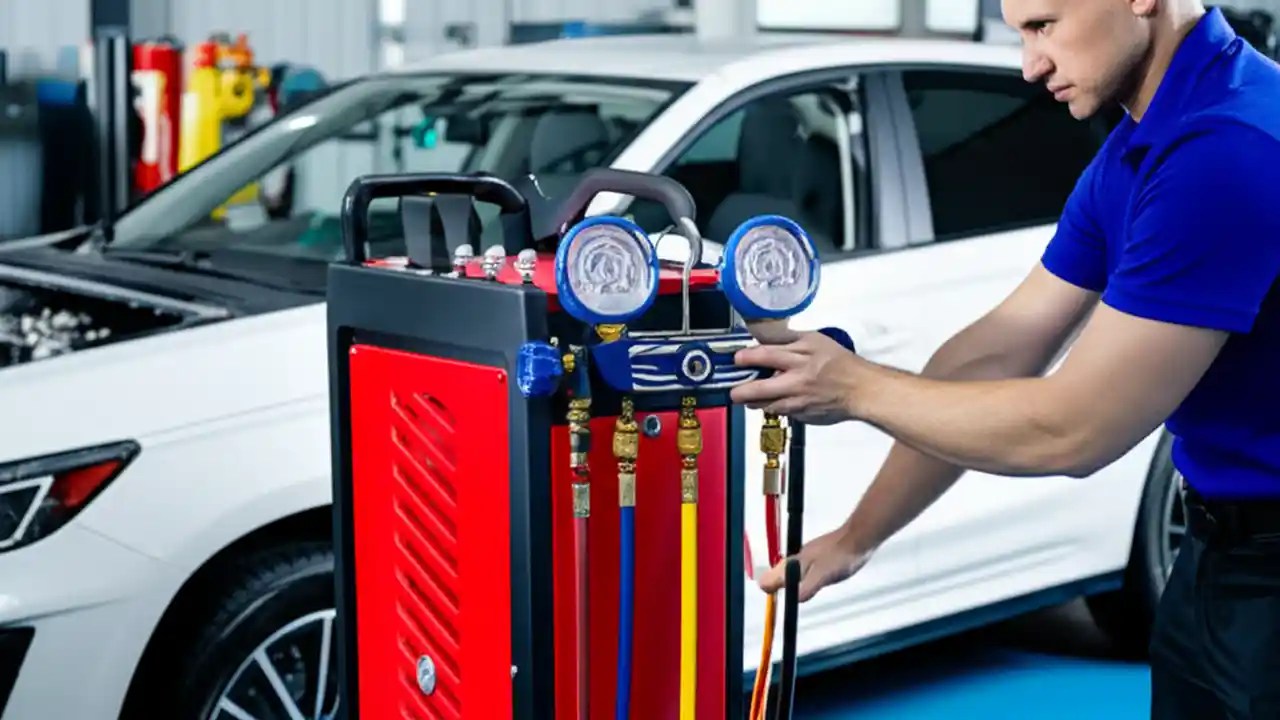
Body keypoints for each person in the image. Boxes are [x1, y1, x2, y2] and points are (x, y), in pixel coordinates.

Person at [730, 1, 1280, 717]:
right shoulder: (1140, 147)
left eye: (1044, 25)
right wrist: (856, 539)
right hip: (1214, 559)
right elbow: (995, 352)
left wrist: (854, 388)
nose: (1030, 65)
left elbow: (1076, 429)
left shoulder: (1228, 146)